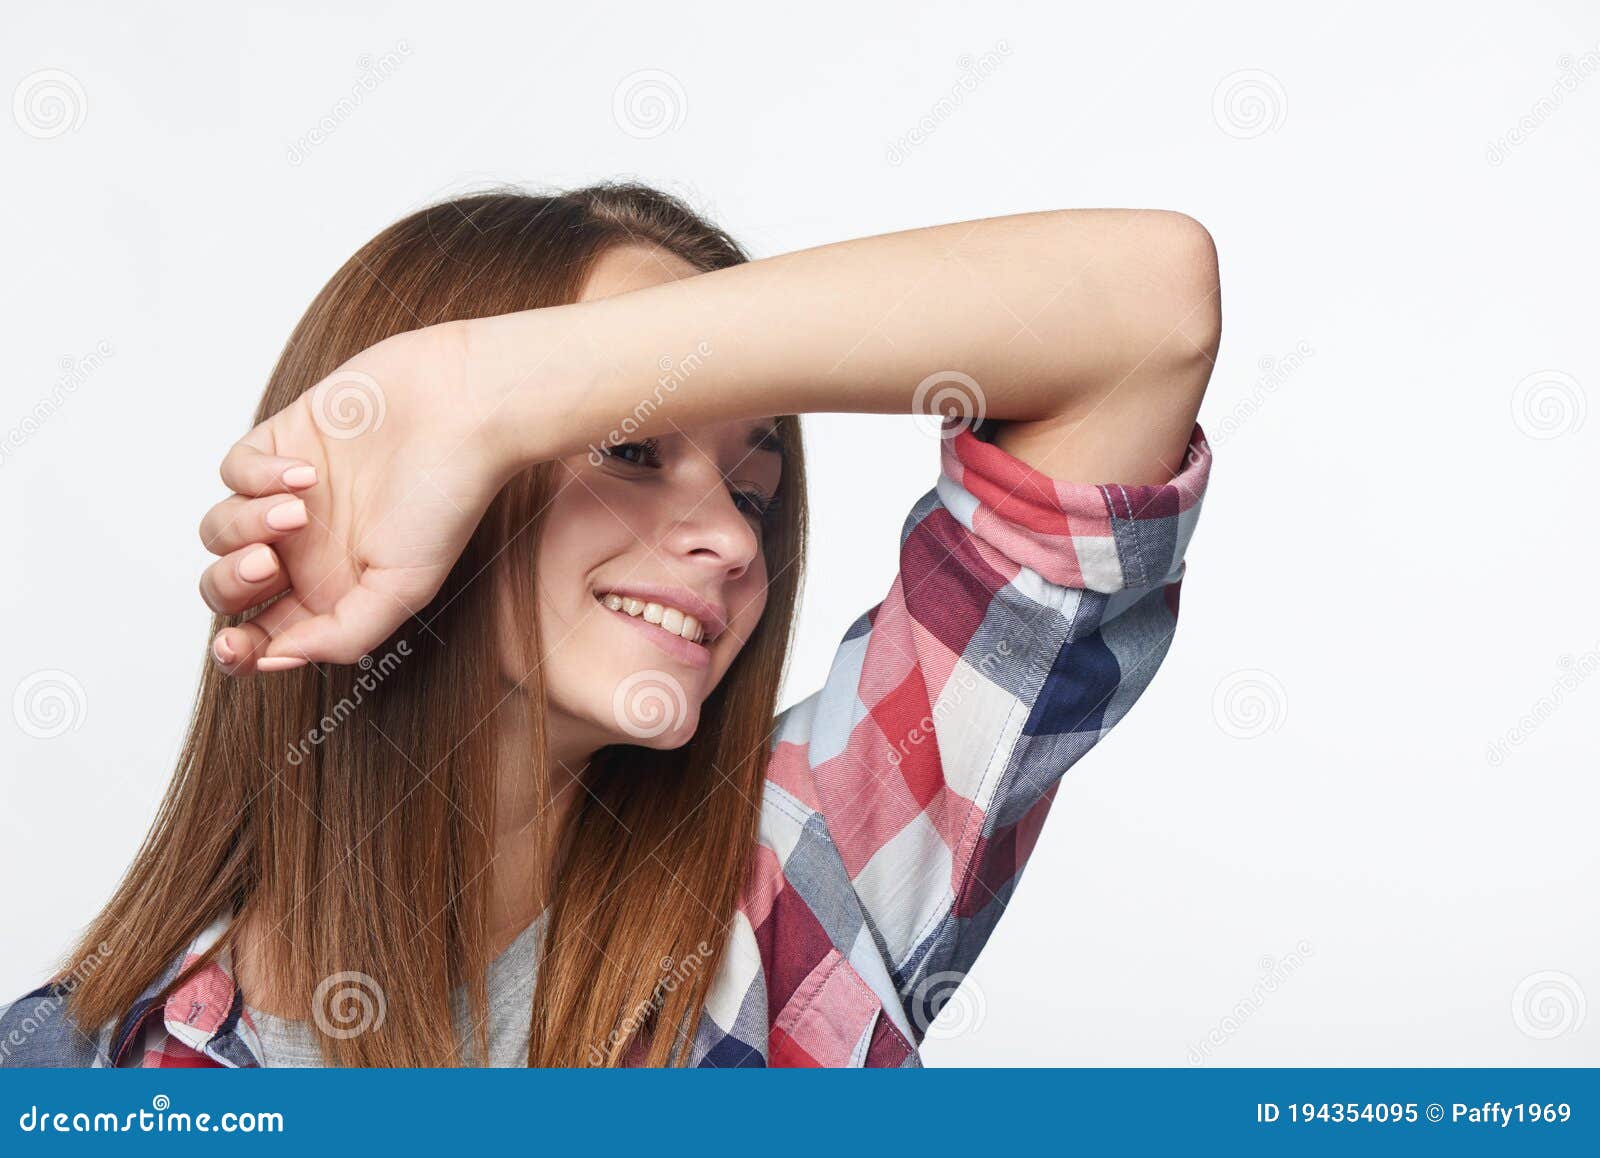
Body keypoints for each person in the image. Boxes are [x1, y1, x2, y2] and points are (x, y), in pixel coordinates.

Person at [0, 183, 1218, 1067]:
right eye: (632, 452)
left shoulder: (805, 889)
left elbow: (1142, 317)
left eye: (755, 489)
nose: (737, 541)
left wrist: (494, 385)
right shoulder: (80, 1075)